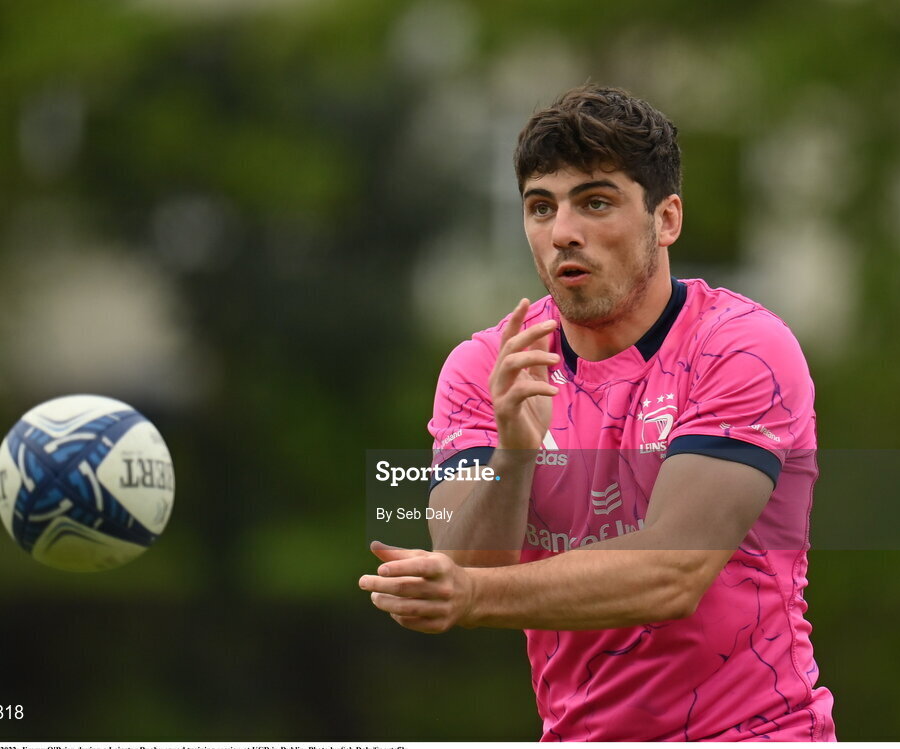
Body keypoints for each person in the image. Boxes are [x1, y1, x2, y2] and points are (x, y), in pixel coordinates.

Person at [358, 84, 836, 742]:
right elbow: (466, 558)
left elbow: (673, 572)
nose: (562, 233)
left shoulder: (742, 349)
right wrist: (512, 457)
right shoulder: (483, 368)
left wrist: (470, 593)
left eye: (596, 202)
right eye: (540, 206)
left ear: (665, 220)